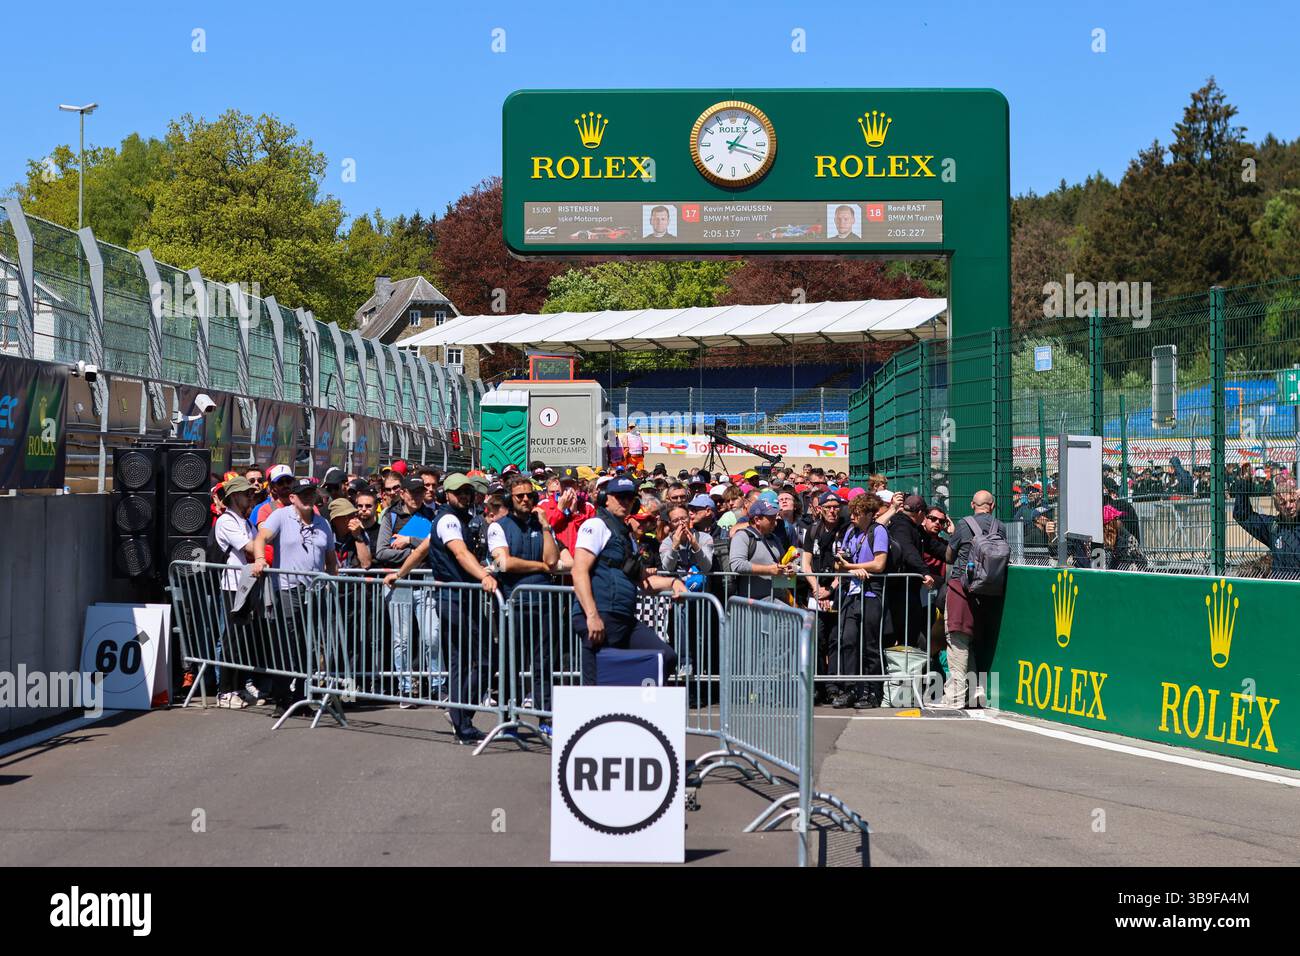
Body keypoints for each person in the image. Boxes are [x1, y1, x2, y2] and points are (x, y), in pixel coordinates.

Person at [384, 474, 496, 744]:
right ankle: (460, 715)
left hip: (459, 598)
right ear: (448, 494)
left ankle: (461, 721)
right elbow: (460, 553)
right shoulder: (447, 520)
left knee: (463, 663)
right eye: (459, 492)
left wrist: (399, 573)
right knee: (482, 660)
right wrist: (483, 575)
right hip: (455, 598)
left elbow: (421, 550)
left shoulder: (451, 518)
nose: (465, 496)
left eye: (468, 491)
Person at [571, 476, 685, 685]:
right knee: (596, 686)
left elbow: (643, 580)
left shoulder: (625, 537)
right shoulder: (596, 525)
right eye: (619, 497)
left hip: (623, 616)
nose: (625, 501)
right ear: (607, 499)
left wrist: (673, 582)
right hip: (600, 613)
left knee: (664, 656)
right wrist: (592, 615)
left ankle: (633, 706)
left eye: (629, 498)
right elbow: (579, 571)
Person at [251, 478, 337, 716]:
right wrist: (260, 559)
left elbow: (331, 560)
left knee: (308, 645)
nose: (309, 497)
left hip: (315, 591)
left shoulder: (323, 524)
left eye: (311, 493)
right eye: (303, 494)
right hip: (288, 589)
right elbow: (261, 538)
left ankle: (301, 696)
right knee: (287, 644)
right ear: (292, 498)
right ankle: (281, 698)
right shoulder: (280, 516)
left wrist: (332, 582)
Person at [489, 475, 561, 731]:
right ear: (510, 498)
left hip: (543, 605)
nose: (525, 499)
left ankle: (545, 717)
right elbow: (505, 563)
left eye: (529, 495)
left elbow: (552, 561)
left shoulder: (539, 524)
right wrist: (540, 566)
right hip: (514, 604)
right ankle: (510, 717)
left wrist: (545, 526)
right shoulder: (498, 527)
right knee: (513, 663)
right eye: (520, 495)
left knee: (544, 663)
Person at [941, 490, 1004, 708]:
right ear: (992, 505)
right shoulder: (1000, 526)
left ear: (971, 504)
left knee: (957, 640)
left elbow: (949, 555)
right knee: (973, 643)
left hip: (961, 588)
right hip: (990, 593)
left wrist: (953, 537)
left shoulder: (963, 524)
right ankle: (972, 691)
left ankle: (955, 696)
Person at [210, 476, 267, 708]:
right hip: (233, 586)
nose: (251, 497)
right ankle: (225, 692)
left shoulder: (246, 522)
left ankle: (239, 687)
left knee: (245, 640)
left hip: (248, 585)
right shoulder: (226, 521)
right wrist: (266, 547)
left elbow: (258, 544)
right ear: (235, 497)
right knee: (232, 639)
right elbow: (251, 547)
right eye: (247, 494)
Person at [830, 494, 891, 709]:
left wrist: (852, 568)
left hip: (871, 596)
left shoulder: (878, 531)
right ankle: (851, 689)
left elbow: (879, 564)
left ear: (868, 514)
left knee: (870, 646)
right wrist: (849, 567)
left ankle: (873, 692)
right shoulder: (850, 532)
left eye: (857, 513)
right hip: (852, 594)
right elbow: (840, 564)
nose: (852, 516)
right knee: (848, 642)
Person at [801, 492, 846, 701]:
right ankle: (817, 684)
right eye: (827, 507)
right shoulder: (813, 530)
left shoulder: (846, 530)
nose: (832, 510)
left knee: (836, 640)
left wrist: (831, 588)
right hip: (816, 594)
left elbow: (846, 565)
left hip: (838, 592)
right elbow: (805, 563)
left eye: (836, 507)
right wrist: (817, 588)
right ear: (820, 509)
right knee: (817, 638)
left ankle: (833, 686)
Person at [885, 495, 934, 650]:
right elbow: (908, 551)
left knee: (912, 633)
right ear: (920, 512)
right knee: (907, 635)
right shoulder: (901, 526)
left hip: (909, 589)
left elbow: (933, 545)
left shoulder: (914, 527)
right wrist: (924, 571)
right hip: (900, 590)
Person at [1232, 469, 1300, 578]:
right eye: (1283, 503)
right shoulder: (1273, 526)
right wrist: (1244, 482)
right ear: (1277, 506)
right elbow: (1243, 516)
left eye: (1292, 501)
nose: (1288, 506)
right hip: (1280, 586)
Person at [729, 500, 796, 601]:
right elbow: (737, 564)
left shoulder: (774, 538)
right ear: (757, 520)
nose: (775, 522)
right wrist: (769, 570)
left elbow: (783, 563)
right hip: (753, 604)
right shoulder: (742, 536)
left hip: (778, 599)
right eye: (771, 518)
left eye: (775, 517)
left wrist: (791, 569)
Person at [659, 504, 714, 576]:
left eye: (684, 518)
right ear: (670, 524)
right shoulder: (666, 542)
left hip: (700, 584)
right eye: (675, 521)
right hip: (678, 585)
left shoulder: (705, 538)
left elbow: (707, 567)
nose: (681, 523)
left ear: (689, 518)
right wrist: (674, 547)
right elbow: (667, 568)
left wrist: (695, 545)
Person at [328, 497, 373, 570]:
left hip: (353, 579)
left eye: (352, 515)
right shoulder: (326, 536)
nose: (352, 519)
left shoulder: (361, 533)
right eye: (346, 516)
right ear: (335, 520)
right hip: (332, 580)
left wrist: (358, 537)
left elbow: (366, 564)